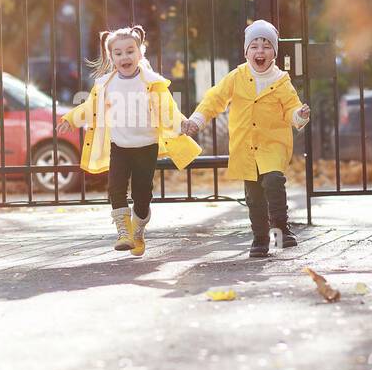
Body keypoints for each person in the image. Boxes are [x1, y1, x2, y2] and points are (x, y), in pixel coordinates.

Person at [58, 26, 201, 255]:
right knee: (115, 188)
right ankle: (124, 233)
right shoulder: (105, 84)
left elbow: (167, 109)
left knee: (142, 195)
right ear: (111, 57)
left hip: (146, 147)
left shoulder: (151, 83)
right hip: (119, 147)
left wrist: (181, 123)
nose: (125, 57)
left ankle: (138, 230)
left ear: (139, 52)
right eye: (118, 53)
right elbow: (90, 107)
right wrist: (71, 119)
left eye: (130, 51)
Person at [180, 20, 310, 258]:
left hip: (273, 143)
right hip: (246, 146)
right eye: (255, 46)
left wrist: (298, 115)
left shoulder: (282, 80)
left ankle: (281, 227)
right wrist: (196, 121)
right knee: (253, 195)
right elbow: (214, 99)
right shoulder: (237, 76)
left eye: (266, 46)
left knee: (273, 181)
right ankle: (260, 238)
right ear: (246, 51)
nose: (260, 51)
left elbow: (292, 108)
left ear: (274, 52)